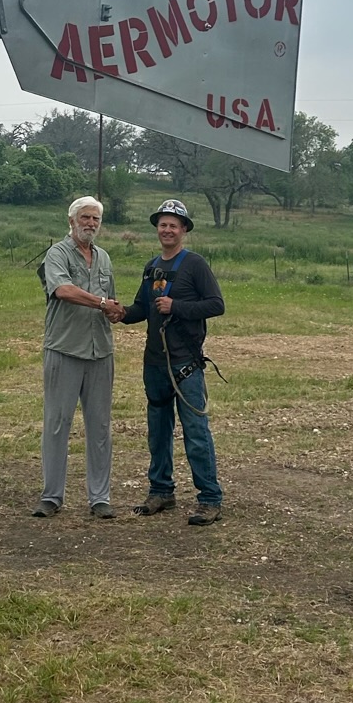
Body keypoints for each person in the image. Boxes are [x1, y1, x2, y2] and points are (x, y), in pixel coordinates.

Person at [121, 197, 226, 524]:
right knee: (158, 432)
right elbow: (143, 308)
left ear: (183, 230)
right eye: (162, 224)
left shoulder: (194, 264)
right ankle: (161, 491)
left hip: (185, 364)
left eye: (173, 225)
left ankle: (209, 498)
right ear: (157, 229)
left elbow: (216, 304)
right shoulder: (152, 265)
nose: (167, 230)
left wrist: (177, 307)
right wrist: (121, 313)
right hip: (155, 362)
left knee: (196, 432)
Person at [33, 194, 122, 520]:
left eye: (95, 219)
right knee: (57, 424)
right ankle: (51, 497)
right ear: (71, 221)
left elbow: (110, 299)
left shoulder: (104, 258)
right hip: (64, 349)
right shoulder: (57, 253)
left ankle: (100, 498)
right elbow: (63, 291)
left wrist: (115, 311)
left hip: (100, 351)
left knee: (100, 427)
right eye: (85, 218)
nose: (90, 224)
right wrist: (101, 304)